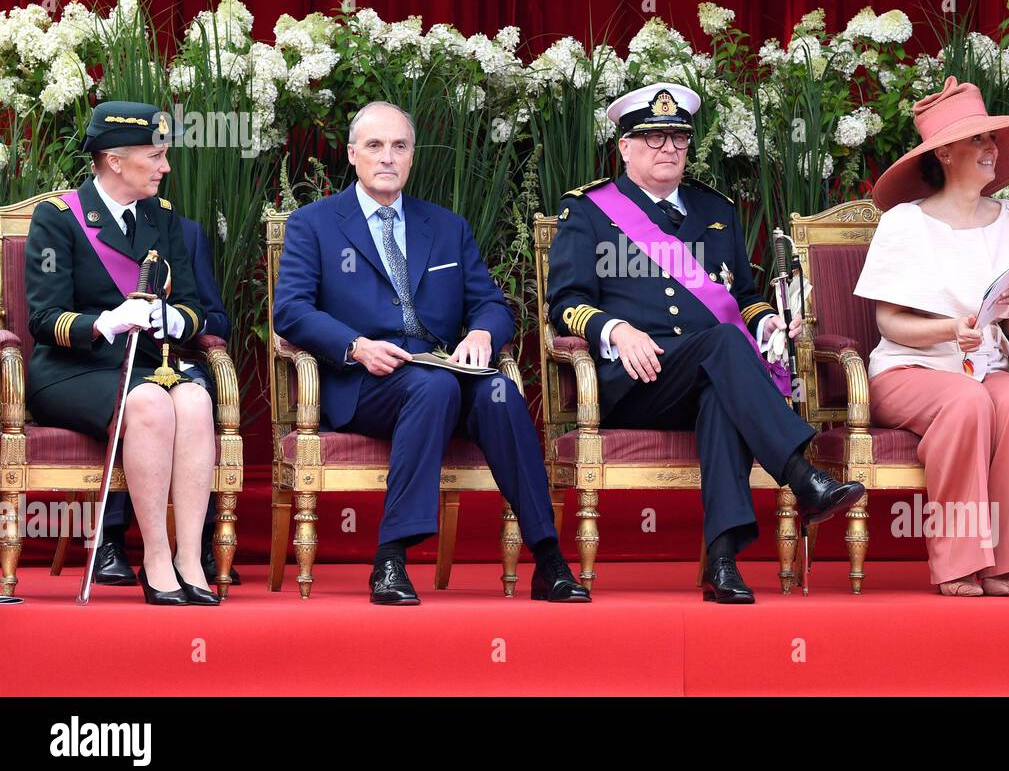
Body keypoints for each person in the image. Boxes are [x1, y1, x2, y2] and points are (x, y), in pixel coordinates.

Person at [546, 82, 864, 604]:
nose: (668, 148)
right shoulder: (589, 211)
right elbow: (565, 301)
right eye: (652, 138)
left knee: (721, 391)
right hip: (635, 380)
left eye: (678, 138)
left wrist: (767, 328)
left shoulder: (714, 210)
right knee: (720, 347)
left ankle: (722, 564)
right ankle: (802, 476)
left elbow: (743, 295)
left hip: (709, 376)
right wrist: (616, 331)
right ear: (624, 146)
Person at [274, 101, 587, 604]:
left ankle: (548, 559)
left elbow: (491, 303)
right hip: (364, 380)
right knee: (435, 386)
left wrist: (483, 335)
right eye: (374, 146)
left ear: (412, 156)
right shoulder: (316, 224)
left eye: (399, 146)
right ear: (352, 154)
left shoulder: (444, 227)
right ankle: (391, 558)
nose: (387, 158)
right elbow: (290, 311)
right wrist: (355, 346)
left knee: (502, 393)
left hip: (440, 369)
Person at [855, 76, 1009, 597]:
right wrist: (951, 329)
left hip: (983, 366)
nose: (991, 149)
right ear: (944, 152)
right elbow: (889, 323)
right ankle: (958, 559)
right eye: (978, 140)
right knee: (967, 402)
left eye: (991, 140)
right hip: (908, 369)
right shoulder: (906, 223)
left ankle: (1005, 559)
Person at [25, 101, 219, 605]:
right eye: (155, 156)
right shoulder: (59, 219)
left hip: (147, 365)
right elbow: (44, 322)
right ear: (114, 159)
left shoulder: (163, 218)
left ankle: (189, 558)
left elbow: (195, 308)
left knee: (196, 400)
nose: (166, 167)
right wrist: (108, 322)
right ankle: (154, 560)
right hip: (73, 370)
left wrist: (172, 319)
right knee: (153, 403)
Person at [94, 215, 241, 587]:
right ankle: (110, 538)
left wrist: (179, 320)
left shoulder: (185, 231)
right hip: (104, 362)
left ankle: (198, 544)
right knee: (140, 402)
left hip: (173, 360)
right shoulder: (82, 226)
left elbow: (217, 319)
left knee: (194, 398)